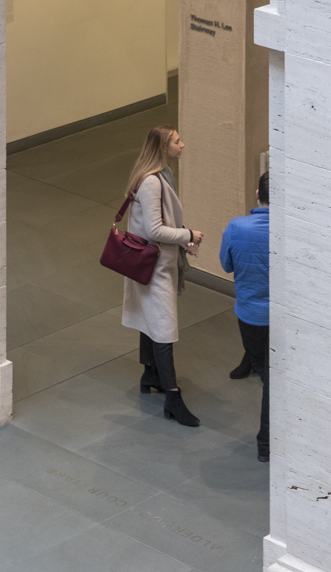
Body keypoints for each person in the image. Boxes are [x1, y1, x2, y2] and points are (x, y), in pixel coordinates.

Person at [121, 125, 204, 427]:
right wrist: (188, 234)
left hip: (155, 263)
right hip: (154, 267)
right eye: (177, 141)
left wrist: (184, 242)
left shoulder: (160, 175)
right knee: (164, 328)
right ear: (162, 147)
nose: (183, 144)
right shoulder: (152, 183)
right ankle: (172, 396)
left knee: (150, 320)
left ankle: (150, 374)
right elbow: (155, 230)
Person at [221, 171, 271, 462]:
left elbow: (226, 265)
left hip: (250, 316)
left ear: (257, 194)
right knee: (273, 380)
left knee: (267, 373)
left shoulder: (236, 227)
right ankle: (266, 443)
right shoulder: (291, 229)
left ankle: (265, 443)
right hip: (282, 317)